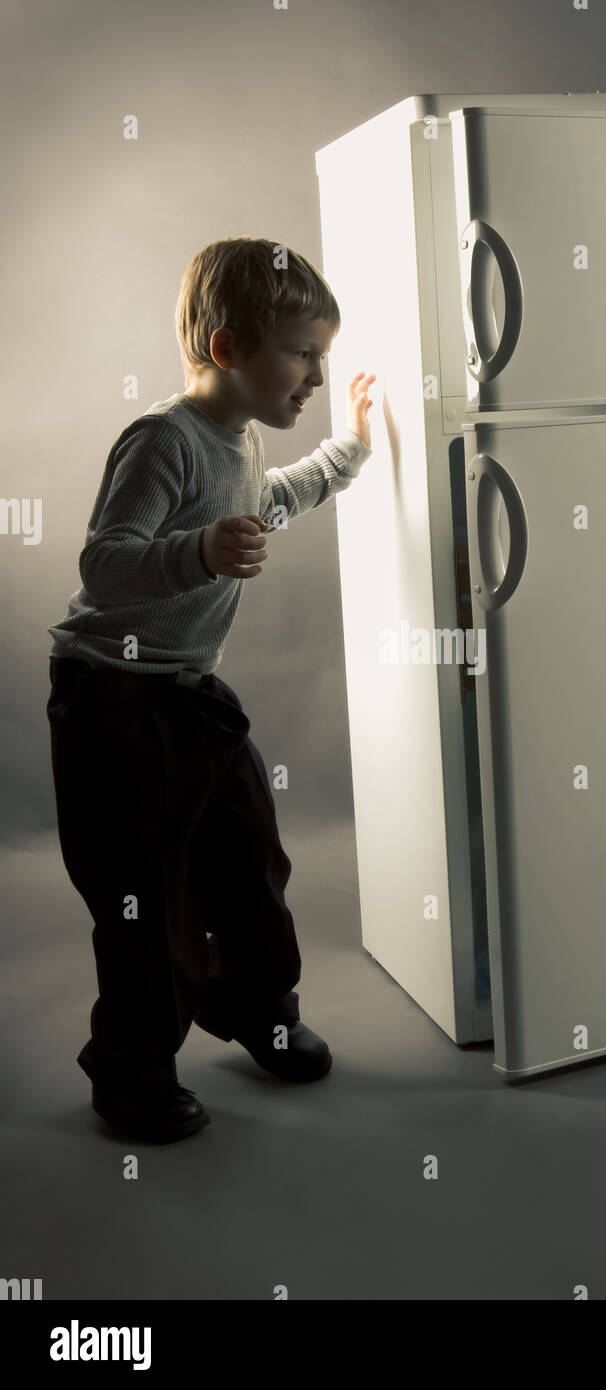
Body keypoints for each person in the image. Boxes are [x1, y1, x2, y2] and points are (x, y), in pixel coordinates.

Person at [45, 236, 375, 1143]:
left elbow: (283, 497)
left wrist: (351, 445)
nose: (315, 372)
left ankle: (258, 1009)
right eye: (303, 353)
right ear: (229, 350)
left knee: (249, 863)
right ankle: (131, 1070)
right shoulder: (163, 441)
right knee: (144, 900)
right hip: (113, 704)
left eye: (322, 354)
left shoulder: (243, 445)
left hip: (188, 697)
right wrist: (199, 552)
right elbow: (104, 566)